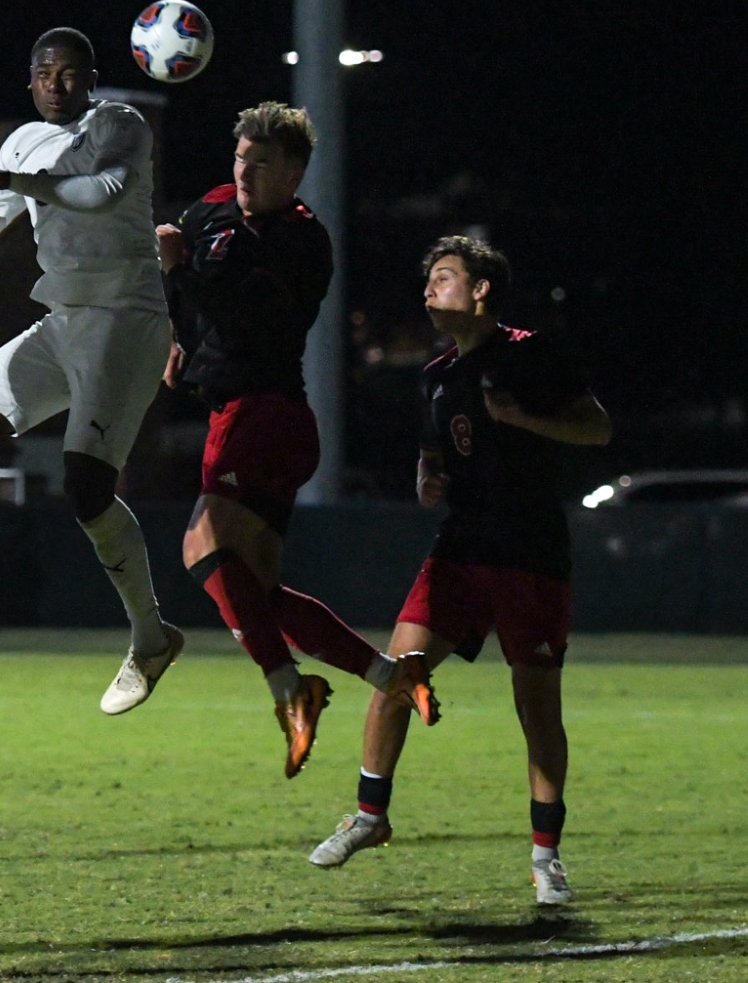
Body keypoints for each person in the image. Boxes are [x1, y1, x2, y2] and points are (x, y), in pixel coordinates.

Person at [307, 237, 609, 907]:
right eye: (428, 279)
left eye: (442, 278)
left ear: (480, 290)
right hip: (460, 549)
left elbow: (597, 429)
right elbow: (433, 457)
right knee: (396, 672)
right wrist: (428, 478)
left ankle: (546, 856)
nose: (427, 290)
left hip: (531, 553)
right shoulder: (435, 374)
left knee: (537, 709)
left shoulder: (532, 352)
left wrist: (523, 418)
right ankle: (369, 815)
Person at [160, 104, 437, 780]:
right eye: (239, 158)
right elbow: (187, 269)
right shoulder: (218, 207)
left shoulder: (302, 243)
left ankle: (289, 688)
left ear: (295, 171)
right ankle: (386, 673)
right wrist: (176, 328)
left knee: (200, 546)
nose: (245, 172)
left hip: (263, 415)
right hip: (248, 415)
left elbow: (239, 314)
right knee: (256, 592)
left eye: (261, 163)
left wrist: (178, 272)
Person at [0, 27, 183, 713]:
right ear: (29, 79)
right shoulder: (22, 142)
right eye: (45, 72)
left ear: (91, 78)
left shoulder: (118, 123)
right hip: (61, 322)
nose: (57, 83)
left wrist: (5, 177)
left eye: (71, 72)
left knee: (86, 488)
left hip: (125, 320)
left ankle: (150, 636)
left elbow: (98, 191)